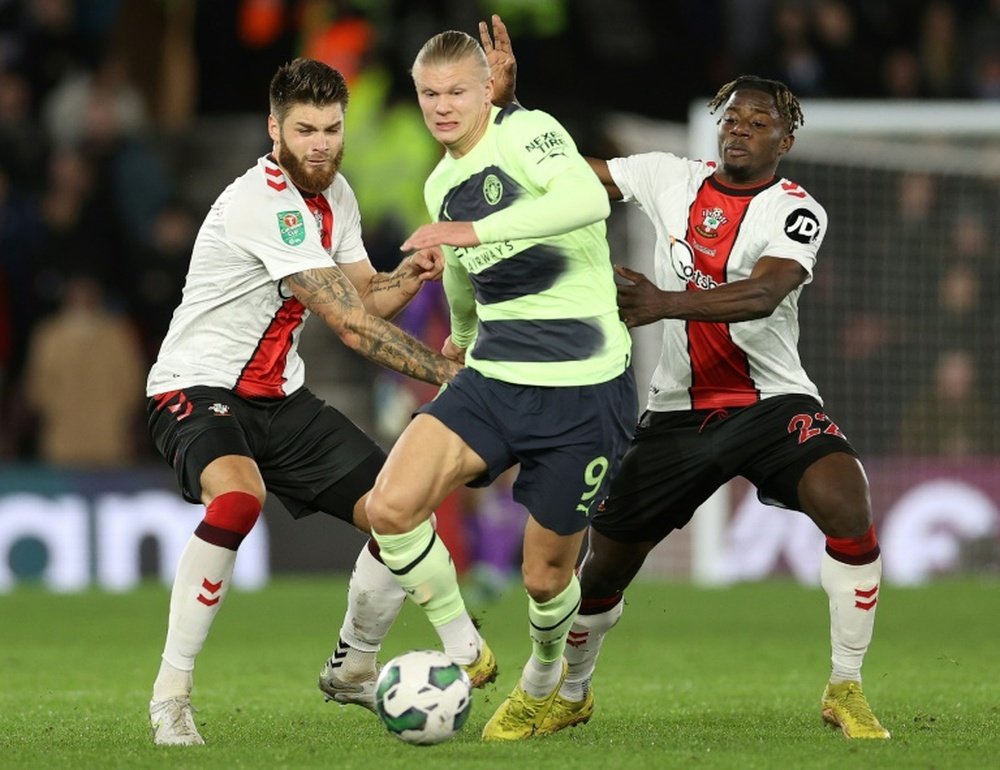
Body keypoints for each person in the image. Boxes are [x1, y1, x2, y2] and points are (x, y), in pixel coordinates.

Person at [483, 14, 890, 741]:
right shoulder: (669, 176)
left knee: (847, 499)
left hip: (771, 403)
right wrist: (508, 116)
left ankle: (846, 688)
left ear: (784, 142)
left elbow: (763, 293)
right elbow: (573, 181)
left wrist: (663, 302)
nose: (741, 129)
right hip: (675, 415)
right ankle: (571, 692)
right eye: (733, 117)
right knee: (602, 572)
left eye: (760, 121)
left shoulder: (795, 210)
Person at [145, 58, 464, 746]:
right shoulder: (263, 200)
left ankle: (353, 667)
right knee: (237, 499)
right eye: (305, 129)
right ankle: (171, 694)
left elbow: (364, 299)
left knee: (397, 510)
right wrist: (443, 371)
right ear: (274, 129)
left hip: (278, 399)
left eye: (331, 128)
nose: (320, 142)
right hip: (196, 388)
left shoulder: (336, 193)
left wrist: (405, 277)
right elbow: (349, 326)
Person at [363, 27, 637, 742]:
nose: (443, 107)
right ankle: (463, 648)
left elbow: (587, 199)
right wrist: (457, 333)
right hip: (494, 376)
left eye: (458, 91)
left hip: (583, 388)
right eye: (430, 94)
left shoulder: (530, 132)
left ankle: (548, 683)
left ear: (488, 88)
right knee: (389, 507)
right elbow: (457, 272)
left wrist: (468, 236)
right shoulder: (439, 181)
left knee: (546, 579)